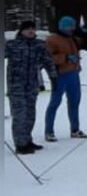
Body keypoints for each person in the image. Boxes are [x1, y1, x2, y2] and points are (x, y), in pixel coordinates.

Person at [6, 20, 58, 154]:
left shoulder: (39, 45)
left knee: (30, 115)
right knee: (20, 115)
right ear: (21, 30)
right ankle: (20, 144)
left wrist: (53, 77)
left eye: (33, 29)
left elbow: (48, 62)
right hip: (16, 86)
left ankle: (28, 140)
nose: (31, 31)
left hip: (32, 86)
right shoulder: (12, 45)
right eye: (28, 29)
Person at [44, 15, 87, 142]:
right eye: (70, 26)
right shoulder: (52, 39)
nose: (72, 29)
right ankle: (49, 131)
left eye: (73, 26)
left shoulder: (73, 39)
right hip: (59, 75)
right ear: (62, 27)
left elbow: (86, 44)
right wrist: (66, 58)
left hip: (73, 74)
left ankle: (75, 129)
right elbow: (47, 58)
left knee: (74, 102)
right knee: (55, 102)